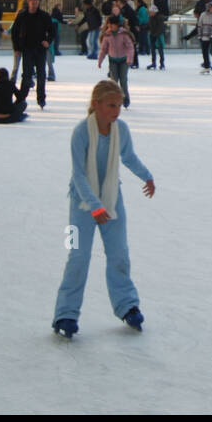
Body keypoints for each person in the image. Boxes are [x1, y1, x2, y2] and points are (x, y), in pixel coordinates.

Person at [51, 79, 156, 338]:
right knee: (78, 257)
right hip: (82, 203)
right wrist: (94, 206)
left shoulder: (121, 129)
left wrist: (147, 176)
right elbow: (78, 174)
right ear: (96, 104)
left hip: (111, 198)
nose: (116, 111)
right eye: (111, 105)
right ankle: (66, 314)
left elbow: (128, 156)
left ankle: (128, 305)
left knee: (119, 254)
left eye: (119, 105)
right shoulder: (81, 133)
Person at [11, 0, 54, 110]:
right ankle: (21, 99)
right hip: (27, 49)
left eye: (36, 2)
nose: (34, 4)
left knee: (41, 74)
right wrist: (17, 48)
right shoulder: (22, 16)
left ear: (38, 2)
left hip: (40, 49)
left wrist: (48, 41)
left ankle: (41, 99)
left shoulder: (44, 16)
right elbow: (14, 32)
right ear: (29, 2)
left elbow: (52, 31)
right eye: (32, 2)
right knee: (27, 75)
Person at [98, 15, 137, 108]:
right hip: (112, 60)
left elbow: (130, 47)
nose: (110, 26)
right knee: (114, 82)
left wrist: (129, 59)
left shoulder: (124, 34)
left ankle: (126, 98)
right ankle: (114, 99)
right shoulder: (107, 35)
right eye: (109, 25)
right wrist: (100, 60)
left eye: (112, 25)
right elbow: (103, 49)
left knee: (123, 80)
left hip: (124, 60)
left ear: (117, 25)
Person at [147, 0, 169, 70]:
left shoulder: (160, 18)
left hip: (158, 36)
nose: (150, 13)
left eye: (151, 12)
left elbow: (161, 28)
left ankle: (162, 63)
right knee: (152, 50)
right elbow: (149, 26)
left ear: (154, 12)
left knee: (160, 50)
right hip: (153, 35)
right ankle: (153, 63)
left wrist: (155, 34)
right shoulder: (151, 18)